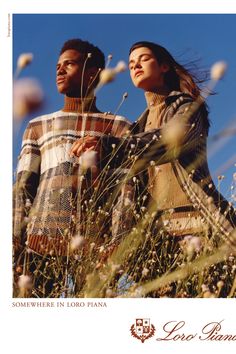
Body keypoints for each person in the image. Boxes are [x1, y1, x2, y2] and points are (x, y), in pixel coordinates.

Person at [71, 41, 236, 292]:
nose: (135, 65)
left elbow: (171, 140)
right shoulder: (139, 125)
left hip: (199, 226)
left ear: (165, 67)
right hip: (157, 239)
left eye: (144, 58)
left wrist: (109, 147)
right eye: (130, 63)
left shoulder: (188, 107)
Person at [13, 38, 131, 297]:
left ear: (93, 73)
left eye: (69, 64)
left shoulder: (119, 125)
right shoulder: (38, 125)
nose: (59, 70)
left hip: (97, 248)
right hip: (39, 246)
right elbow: (23, 188)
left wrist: (118, 244)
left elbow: (125, 192)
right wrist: (14, 242)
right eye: (58, 65)